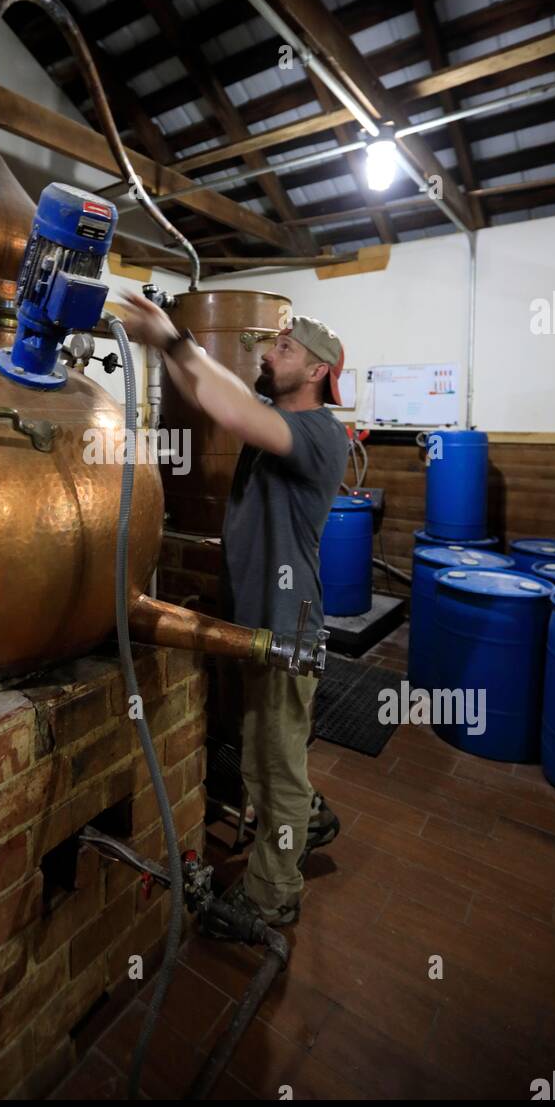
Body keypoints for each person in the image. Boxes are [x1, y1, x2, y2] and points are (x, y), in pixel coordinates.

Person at [118, 294, 349, 926]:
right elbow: (212, 393)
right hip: (260, 616)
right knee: (271, 748)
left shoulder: (318, 434)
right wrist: (173, 346)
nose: (269, 353)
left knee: (270, 764)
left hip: (286, 622)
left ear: (317, 373)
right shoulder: (278, 416)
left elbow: (233, 409)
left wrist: (173, 343)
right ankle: (307, 816)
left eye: (285, 349)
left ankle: (274, 895)